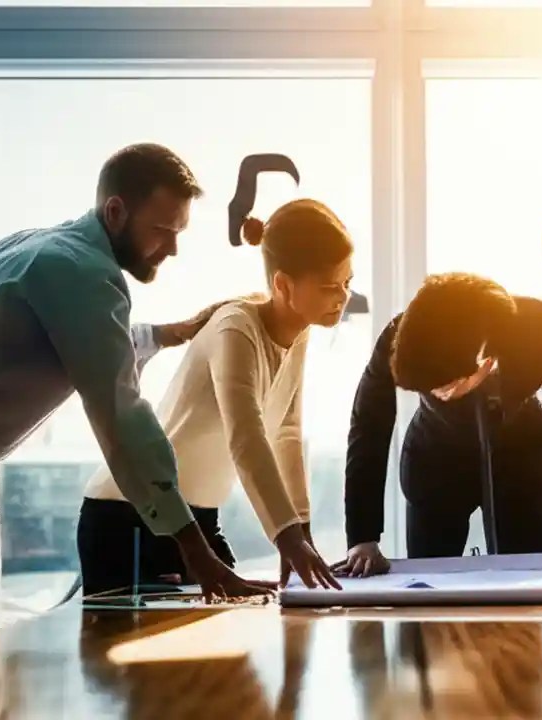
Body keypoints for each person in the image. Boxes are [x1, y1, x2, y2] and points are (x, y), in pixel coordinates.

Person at [0, 143, 272, 659]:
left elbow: (82, 340)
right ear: (116, 211)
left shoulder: (38, 248)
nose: (171, 249)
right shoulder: (86, 275)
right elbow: (123, 420)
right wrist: (195, 551)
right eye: (163, 231)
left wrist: (170, 333)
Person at [80, 197, 352, 594]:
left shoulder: (300, 331)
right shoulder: (235, 328)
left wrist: (301, 531)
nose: (342, 297)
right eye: (330, 286)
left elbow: (287, 434)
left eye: (347, 283)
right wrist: (287, 536)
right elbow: (247, 437)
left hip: (199, 519)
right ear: (282, 284)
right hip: (129, 517)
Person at [337, 273, 542, 577]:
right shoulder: (401, 336)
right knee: (429, 588)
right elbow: (369, 427)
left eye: (446, 387)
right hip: (433, 459)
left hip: (521, 458)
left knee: (520, 588)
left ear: (485, 362)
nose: (439, 394)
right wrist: (362, 539)